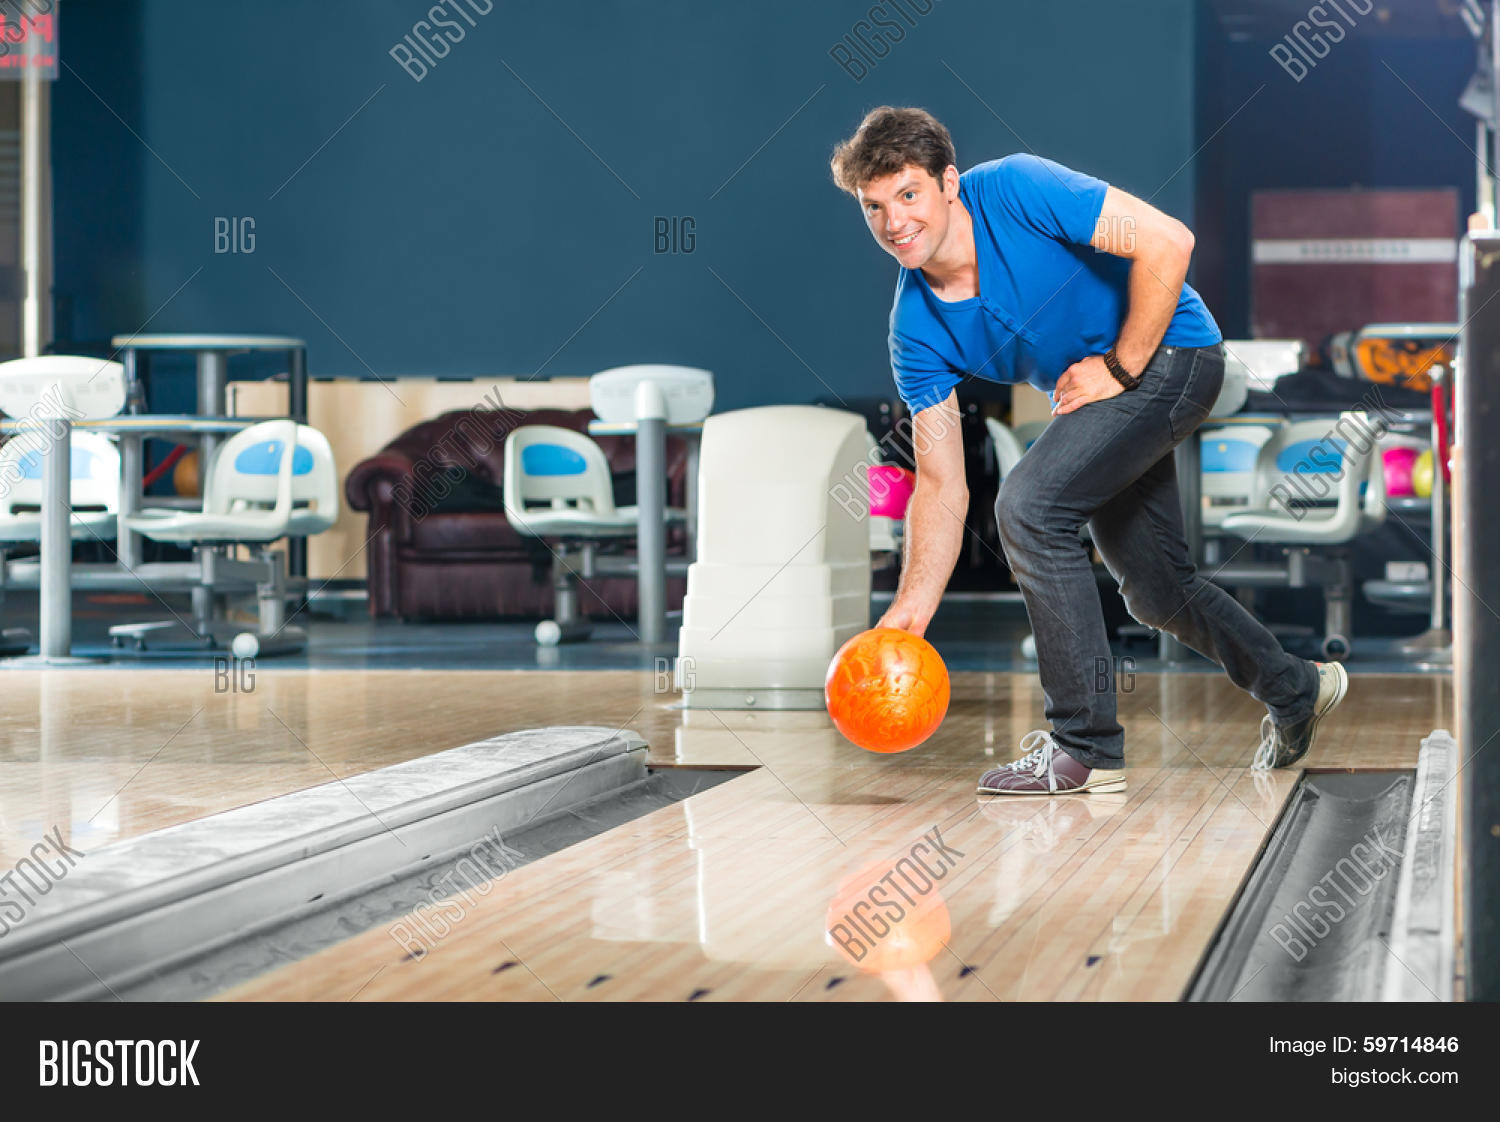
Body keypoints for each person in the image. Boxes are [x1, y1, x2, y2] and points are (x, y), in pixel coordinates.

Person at [829, 106, 1347, 796]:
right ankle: (1296, 688)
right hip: (1107, 400)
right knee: (1157, 591)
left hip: (1175, 353)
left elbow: (1168, 241)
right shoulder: (915, 330)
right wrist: (910, 616)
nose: (895, 222)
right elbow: (941, 483)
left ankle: (1084, 749)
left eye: (908, 194)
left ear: (949, 183)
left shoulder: (1015, 188)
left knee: (1028, 508)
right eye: (874, 206)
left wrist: (1120, 366)